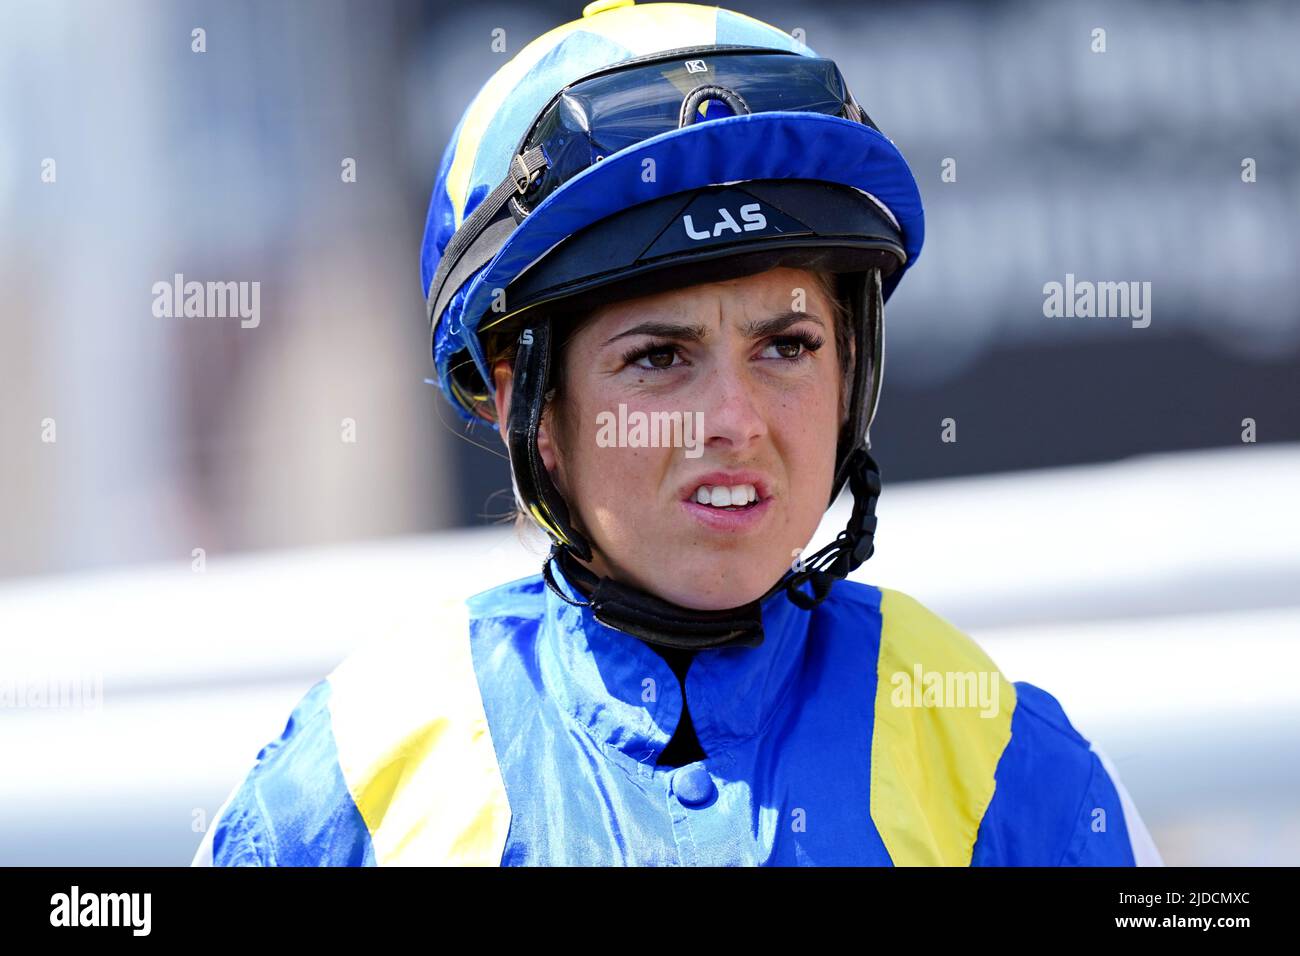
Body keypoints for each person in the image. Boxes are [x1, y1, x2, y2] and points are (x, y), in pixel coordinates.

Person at [193, 0, 1162, 867]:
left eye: (785, 344)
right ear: (522, 399)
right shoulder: (357, 772)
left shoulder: (997, 755)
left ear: (848, 370)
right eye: (658, 358)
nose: (735, 421)